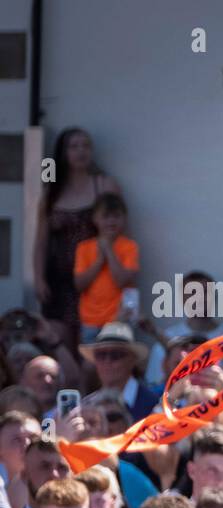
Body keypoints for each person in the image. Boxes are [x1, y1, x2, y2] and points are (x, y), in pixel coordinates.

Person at [34, 128, 123, 347]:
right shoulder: (51, 192)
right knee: (60, 343)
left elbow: (121, 233)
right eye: (74, 146)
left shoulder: (104, 185)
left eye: (85, 146)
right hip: (59, 278)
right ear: (63, 152)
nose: (80, 151)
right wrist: (38, 278)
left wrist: (121, 273)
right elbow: (41, 242)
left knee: (93, 347)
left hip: (94, 278)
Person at [73, 193, 139, 342]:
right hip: (90, 319)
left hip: (119, 318)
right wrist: (99, 261)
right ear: (95, 219)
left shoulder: (129, 247)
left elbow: (122, 281)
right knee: (89, 362)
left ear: (124, 218)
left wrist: (109, 250)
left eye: (116, 216)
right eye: (106, 216)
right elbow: (79, 284)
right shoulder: (84, 247)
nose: (111, 221)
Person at [79, 323, 159, 421]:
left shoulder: (153, 405)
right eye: (101, 355)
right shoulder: (86, 406)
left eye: (116, 355)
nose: (107, 361)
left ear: (132, 360)